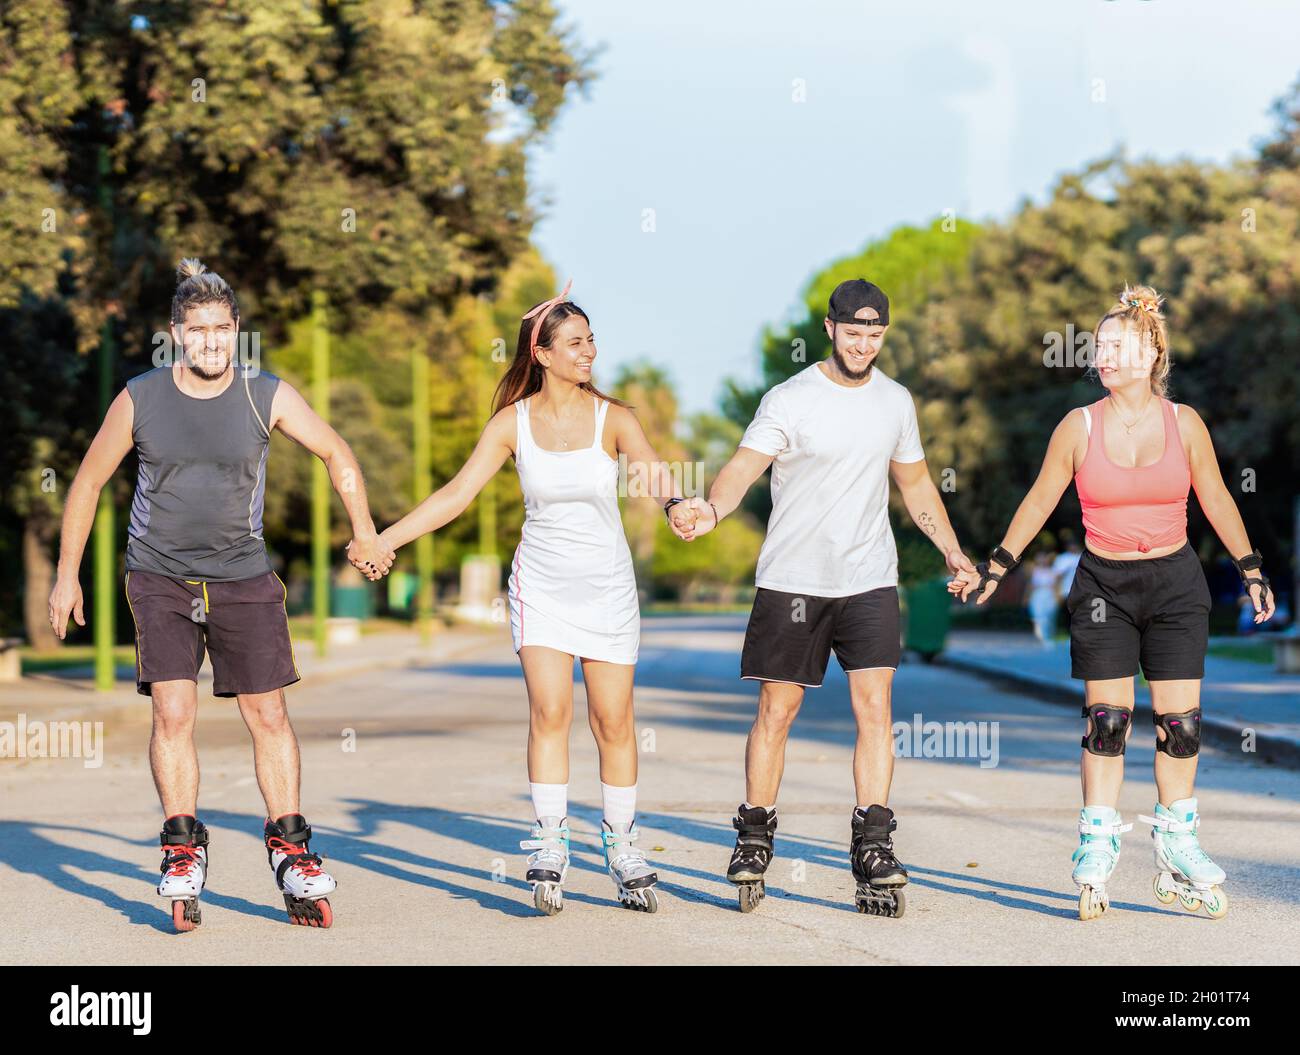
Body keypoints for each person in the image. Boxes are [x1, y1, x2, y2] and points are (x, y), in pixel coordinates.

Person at [48, 259, 393, 930]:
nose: (210, 341)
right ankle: (181, 848)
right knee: (173, 712)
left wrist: (365, 529)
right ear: (175, 333)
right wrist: (67, 574)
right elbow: (88, 482)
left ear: (237, 332)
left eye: (221, 329)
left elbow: (337, 453)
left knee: (268, 716)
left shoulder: (266, 394)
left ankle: (292, 849)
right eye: (197, 329)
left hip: (243, 575)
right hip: (159, 575)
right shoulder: (140, 397)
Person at [362, 282, 693, 916]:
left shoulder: (613, 418)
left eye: (591, 339)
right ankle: (550, 841)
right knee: (549, 712)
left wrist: (678, 505)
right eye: (574, 342)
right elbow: (456, 495)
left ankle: (622, 845)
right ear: (541, 354)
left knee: (613, 721)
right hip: (541, 585)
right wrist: (387, 538)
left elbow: (651, 470)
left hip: (607, 588)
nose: (589, 351)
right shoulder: (511, 424)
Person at [956, 285, 1276, 921]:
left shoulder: (1185, 423)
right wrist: (996, 566)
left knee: (1179, 725)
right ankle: (1097, 844)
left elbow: (1216, 497)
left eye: (1115, 346)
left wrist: (1251, 569)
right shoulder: (1078, 427)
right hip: (1104, 585)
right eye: (1097, 346)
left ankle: (1178, 841)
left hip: (1176, 584)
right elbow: (1040, 499)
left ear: (1151, 351)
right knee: (1107, 722)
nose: (1101, 356)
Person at [673, 279, 976, 916]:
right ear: (831, 329)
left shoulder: (896, 402)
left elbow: (916, 484)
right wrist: (711, 511)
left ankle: (873, 842)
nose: (864, 344)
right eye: (854, 332)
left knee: (875, 706)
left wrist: (951, 548)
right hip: (793, 580)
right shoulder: (791, 398)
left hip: (868, 577)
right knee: (776, 713)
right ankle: (755, 834)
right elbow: (741, 468)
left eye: (875, 334)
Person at [1027, 549, 1061, 646]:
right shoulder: (1034, 570)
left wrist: (1057, 597)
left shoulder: (1053, 571)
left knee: (1049, 617)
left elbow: (1056, 586)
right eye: (1039, 557)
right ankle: (1043, 639)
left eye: (1043, 557)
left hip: (1049, 596)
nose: (1041, 560)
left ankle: (1049, 637)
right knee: (1039, 617)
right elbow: (1030, 586)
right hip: (1037, 596)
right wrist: (1028, 597)